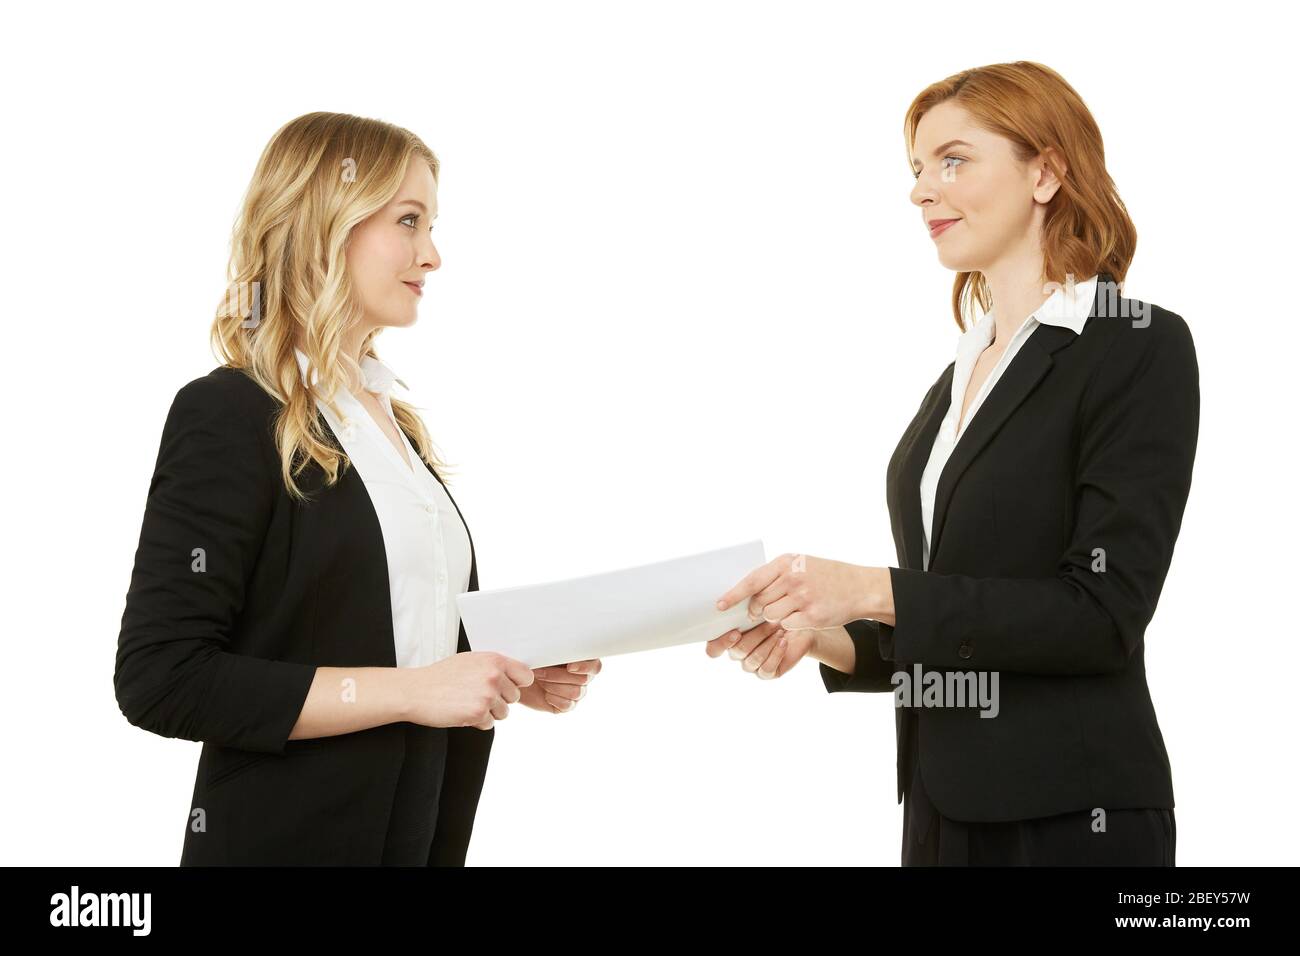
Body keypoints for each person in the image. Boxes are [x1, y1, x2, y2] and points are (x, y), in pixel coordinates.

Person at [706, 62, 1196, 866]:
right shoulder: (966, 368)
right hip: (939, 809)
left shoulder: (1136, 343)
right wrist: (828, 637)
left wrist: (870, 587)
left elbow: (1102, 615)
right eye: (917, 169)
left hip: (1070, 813)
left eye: (954, 160)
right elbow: (958, 607)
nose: (922, 191)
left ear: (1046, 171)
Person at [115, 111, 601, 866]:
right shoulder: (231, 413)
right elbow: (161, 678)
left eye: (431, 224)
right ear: (325, 222)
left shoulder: (392, 425)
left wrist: (505, 670)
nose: (432, 254)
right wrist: (415, 693)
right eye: (409, 221)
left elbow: (379, 630)